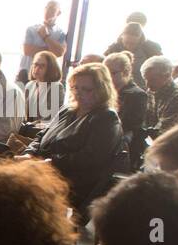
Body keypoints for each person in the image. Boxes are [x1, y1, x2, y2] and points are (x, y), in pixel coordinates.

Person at [22, 61, 123, 211]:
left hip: (71, 181)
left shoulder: (106, 117)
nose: (78, 93)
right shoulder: (68, 109)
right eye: (75, 87)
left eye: (86, 89)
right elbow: (42, 135)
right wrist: (29, 153)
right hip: (45, 169)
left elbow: (91, 158)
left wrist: (52, 162)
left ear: (102, 89)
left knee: (12, 191)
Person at [104, 50, 150, 170]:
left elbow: (130, 125)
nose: (107, 77)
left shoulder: (137, 94)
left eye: (113, 73)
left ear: (126, 72)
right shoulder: (103, 91)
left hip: (119, 144)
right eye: (105, 72)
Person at [143, 54, 178, 132]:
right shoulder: (152, 89)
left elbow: (164, 129)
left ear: (167, 76)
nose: (147, 84)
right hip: (160, 137)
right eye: (145, 79)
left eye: (152, 80)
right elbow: (147, 119)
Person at [18, 1, 67, 84]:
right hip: (26, 74)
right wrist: (51, 50)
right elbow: (27, 50)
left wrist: (46, 37)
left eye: (52, 9)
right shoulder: (31, 29)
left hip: (47, 77)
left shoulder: (61, 33)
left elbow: (59, 53)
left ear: (58, 13)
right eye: (47, 8)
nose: (48, 11)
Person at [105, 21, 162, 88]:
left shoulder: (150, 49)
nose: (129, 46)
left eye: (132, 44)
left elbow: (161, 69)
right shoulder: (113, 49)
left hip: (144, 87)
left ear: (140, 39)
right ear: (122, 37)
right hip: (117, 87)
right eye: (126, 43)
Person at [23, 50, 65, 127]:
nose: (37, 69)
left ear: (51, 68)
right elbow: (24, 113)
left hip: (44, 131)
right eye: (35, 65)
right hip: (28, 129)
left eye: (42, 66)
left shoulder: (56, 87)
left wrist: (29, 126)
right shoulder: (30, 85)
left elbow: (50, 118)